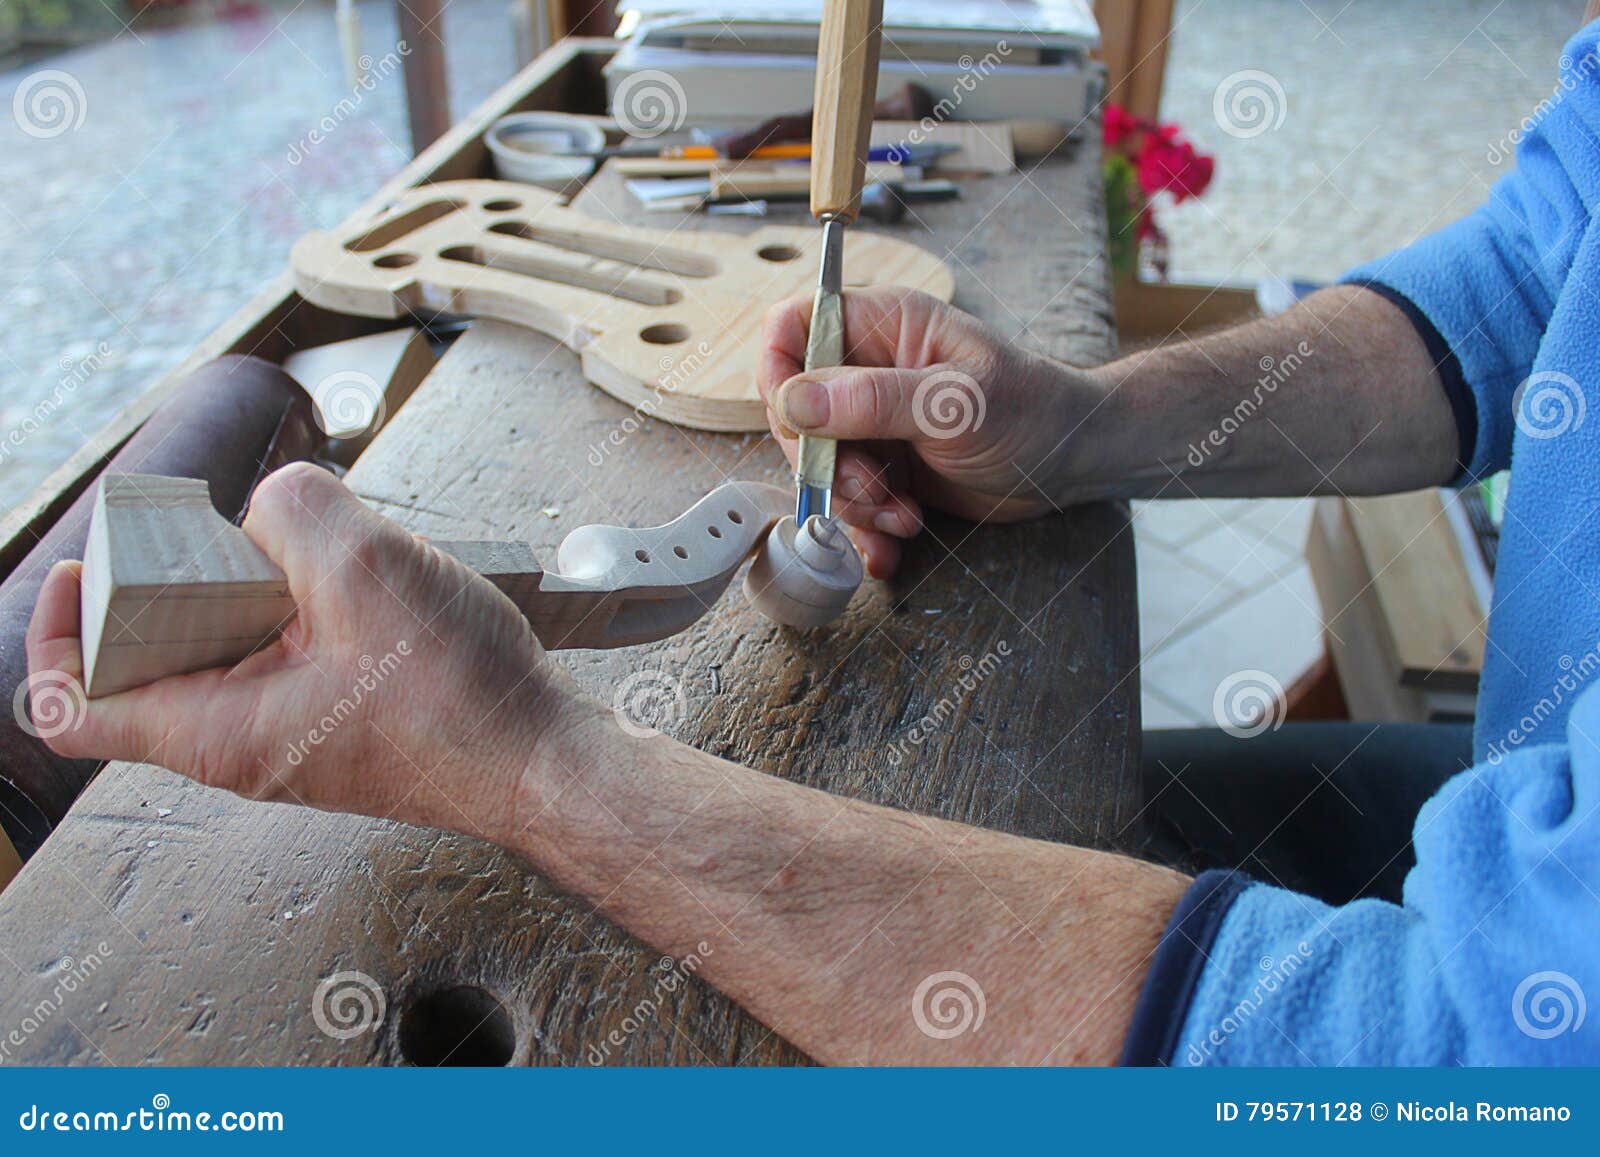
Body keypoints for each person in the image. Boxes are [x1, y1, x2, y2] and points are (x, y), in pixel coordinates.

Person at [28, 27, 1600, 1066]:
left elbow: (1452, 1060)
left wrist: (527, 762)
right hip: (1518, 810)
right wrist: (1084, 429)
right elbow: (1529, 280)